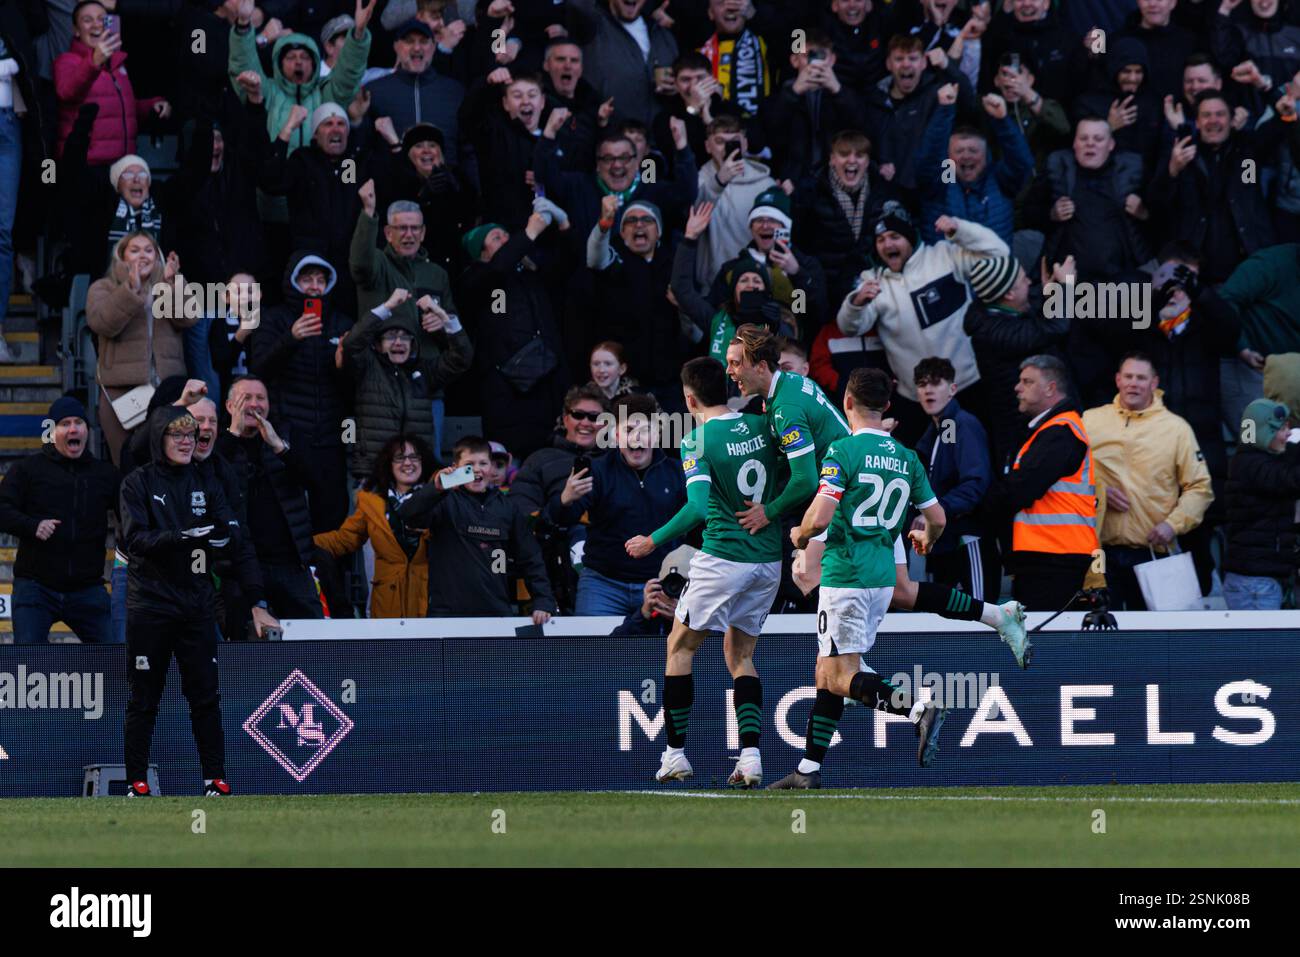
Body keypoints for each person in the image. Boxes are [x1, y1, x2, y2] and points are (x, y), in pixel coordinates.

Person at [729, 323, 1028, 654]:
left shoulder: (787, 408)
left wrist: (769, 513)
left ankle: (854, 670)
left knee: (804, 572)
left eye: (736, 363)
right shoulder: (795, 385)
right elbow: (937, 519)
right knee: (903, 591)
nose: (730, 371)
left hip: (846, 491)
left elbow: (805, 480)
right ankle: (997, 614)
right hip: (869, 479)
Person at [769, 367, 949, 790]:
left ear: (846, 402)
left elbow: (821, 515)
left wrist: (800, 533)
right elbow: (938, 517)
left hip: (846, 575)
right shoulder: (906, 456)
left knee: (836, 675)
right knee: (827, 670)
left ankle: (917, 709)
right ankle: (808, 771)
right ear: (886, 406)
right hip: (883, 577)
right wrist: (926, 537)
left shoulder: (843, 451)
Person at [624, 356, 781, 788]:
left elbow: (695, 507)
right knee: (741, 655)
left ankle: (675, 755)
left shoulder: (697, 440)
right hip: (768, 560)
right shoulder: (761, 426)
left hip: (724, 556)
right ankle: (750, 759)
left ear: (689, 399)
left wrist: (651, 540)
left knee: (679, 647)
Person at [120, 406, 240, 797]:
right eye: (178, 435)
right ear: (160, 439)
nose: (188, 441)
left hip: (196, 605)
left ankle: (215, 779)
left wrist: (218, 538)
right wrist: (182, 537)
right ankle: (137, 781)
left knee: (206, 696)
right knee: (144, 697)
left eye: (191, 435)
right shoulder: (137, 483)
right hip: (151, 606)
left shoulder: (207, 479)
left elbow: (228, 530)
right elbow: (134, 540)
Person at [837, 205, 1008, 444]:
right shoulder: (873, 280)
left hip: (967, 386)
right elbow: (850, 327)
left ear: (910, 237)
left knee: (979, 454)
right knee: (921, 465)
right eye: (881, 239)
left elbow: (999, 253)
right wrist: (856, 302)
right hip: (915, 398)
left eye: (895, 237)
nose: (888, 245)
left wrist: (960, 229)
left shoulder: (945, 255)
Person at [1082, 353, 1214, 609]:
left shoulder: (1177, 429)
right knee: (1098, 637)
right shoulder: (1090, 420)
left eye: (1141, 378)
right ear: (1118, 380)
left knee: (1154, 640)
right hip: (1098, 551)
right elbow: (1070, 474)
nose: (1134, 383)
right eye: (1128, 376)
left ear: (1154, 383)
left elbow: (1200, 487)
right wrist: (1101, 491)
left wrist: (1172, 525)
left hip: (1152, 552)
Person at [549, 393, 686, 616]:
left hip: (661, 584)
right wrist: (565, 500)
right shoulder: (598, 470)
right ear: (615, 434)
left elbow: (700, 524)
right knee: (592, 651)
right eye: (630, 430)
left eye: (644, 430)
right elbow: (559, 521)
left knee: (664, 651)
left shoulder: (678, 472)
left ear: (657, 433)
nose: (636, 439)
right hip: (602, 584)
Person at [396, 435, 556, 619]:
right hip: (447, 615)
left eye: (483, 463)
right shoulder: (443, 501)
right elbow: (408, 516)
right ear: (455, 467)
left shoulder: (508, 508)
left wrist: (543, 601)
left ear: (491, 467)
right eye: (469, 464)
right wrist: (436, 488)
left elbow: (530, 557)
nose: (477, 470)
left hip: (497, 613)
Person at [0, 396, 118, 644]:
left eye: (78, 422)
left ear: (87, 429)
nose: (73, 429)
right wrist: (32, 526)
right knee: (28, 664)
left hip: (88, 589)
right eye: (65, 424)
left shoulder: (104, 474)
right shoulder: (28, 470)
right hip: (36, 588)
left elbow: (130, 517)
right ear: (52, 432)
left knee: (117, 656)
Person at [985, 354, 1098, 611]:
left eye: (1027, 381)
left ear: (1050, 388)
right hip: (1048, 553)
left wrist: (979, 506)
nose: (1017, 387)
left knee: (1048, 644)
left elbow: (1020, 488)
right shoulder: (1050, 429)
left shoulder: (1060, 431)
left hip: (1054, 556)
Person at [249, 252, 353, 532]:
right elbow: (258, 369)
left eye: (321, 280)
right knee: (287, 513)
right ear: (293, 281)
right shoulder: (274, 319)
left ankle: (329, 574)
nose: (315, 286)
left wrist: (344, 364)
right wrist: (290, 338)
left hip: (332, 434)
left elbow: (356, 386)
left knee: (332, 513)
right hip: (289, 433)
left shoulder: (342, 322)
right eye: (307, 279)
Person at [216, 376, 324, 621]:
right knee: (246, 649)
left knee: (312, 642)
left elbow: (316, 481)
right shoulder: (221, 444)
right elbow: (211, 480)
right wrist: (234, 433)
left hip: (291, 563)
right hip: (241, 568)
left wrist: (279, 447)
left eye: (260, 398)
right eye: (246, 398)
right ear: (230, 406)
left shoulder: (286, 433)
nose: (254, 404)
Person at [86, 233, 195, 466]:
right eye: (134, 250)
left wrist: (172, 283)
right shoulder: (103, 287)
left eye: (148, 250)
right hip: (120, 395)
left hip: (167, 391)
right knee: (127, 466)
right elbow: (101, 323)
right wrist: (130, 289)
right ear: (122, 256)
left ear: (157, 257)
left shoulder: (170, 282)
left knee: (171, 466)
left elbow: (188, 318)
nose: (142, 255)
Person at [343, 286, 473, 479]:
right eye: (390, 336)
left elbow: (462, 357)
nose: (398, 342)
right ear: (377, 345)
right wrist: (387, 306)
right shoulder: (368, 367)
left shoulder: (425, 372)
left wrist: (443, 316)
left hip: (417, 472)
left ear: (413, 344)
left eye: (405, 337)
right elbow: (351, 344)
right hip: (374, 472)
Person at [227, 0, 373, 153]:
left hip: (315, 174)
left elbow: (349, 75)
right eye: (290, 57)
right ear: (279, 63)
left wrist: (358, 34)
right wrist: (243, 24)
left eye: (304, 57)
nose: (298, 62)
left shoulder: (325, 92)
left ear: (314, 63)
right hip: (274, 172)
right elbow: (242, 67)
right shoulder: (267, 90)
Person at [314, 434, 434, 618]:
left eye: (414, 457)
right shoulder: (371, 502)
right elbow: (344, 539)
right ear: (389, 464)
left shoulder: (439, 497)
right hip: (387, 604)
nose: (408, 463)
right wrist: (302, 542)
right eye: (400, 458)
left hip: (427, 602)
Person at [912, 357, 997, 601]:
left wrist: (933, 511)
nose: (928, 389)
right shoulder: (942, 428)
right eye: (922, 384)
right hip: (945, 542)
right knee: (949, 621)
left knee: (980, 617)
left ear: (952, 389)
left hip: (968, 539)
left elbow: (974, 483)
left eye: (936, 383)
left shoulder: (962, 424)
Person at [54, 1, 169, 165]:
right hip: (86, 164)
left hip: (122, 165)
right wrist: (94, 62)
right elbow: (67, 92)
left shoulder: (117, 64)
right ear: (76, 30)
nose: (96, 24)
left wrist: (152, 105)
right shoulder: (66, 61)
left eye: (102, 19)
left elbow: (118, 109)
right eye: (87, 20)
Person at [1223, 399, 1300, 609]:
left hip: (1261, 579)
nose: (1288, 434)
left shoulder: (1251, 458)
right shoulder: (1251, 466)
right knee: (1257, 643)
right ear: (1263, 432)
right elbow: (1291, 479)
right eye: (1281, 428)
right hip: (1254, 584)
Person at [363, 18, 465, 164]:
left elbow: (467, 152)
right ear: (396, 46)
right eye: (409, 41)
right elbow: (359, 153)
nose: (417, 48)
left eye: (423, 41)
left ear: (434, 46)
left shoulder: (454, 91)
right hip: (392, 185)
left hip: (446, 184)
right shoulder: (374, 92)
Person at [567, 0, 679, 128]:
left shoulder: (662, 33)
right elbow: (576, 4)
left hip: (654, 142)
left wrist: (676, 88)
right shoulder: (592, 24)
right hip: (608, 139)